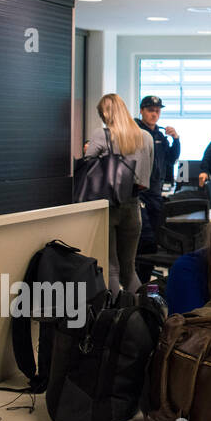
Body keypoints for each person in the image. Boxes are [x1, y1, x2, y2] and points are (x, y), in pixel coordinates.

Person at [84, 94, 153, 293]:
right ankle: (142, 314)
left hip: (109, 207)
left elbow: (88, 165)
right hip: (133, 206)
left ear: (106, 114)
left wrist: (88, 149)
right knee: (129, 270)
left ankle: (118, 318)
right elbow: (148, 173)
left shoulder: (102, 134)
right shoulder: (145, 136)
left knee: (112, 269)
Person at [134, 95, 180, 281]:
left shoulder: (160, 134)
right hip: (139, 193)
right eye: (151, 110)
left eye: (157, 111)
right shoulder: (135, 132)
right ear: (142, 111)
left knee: (155, 237)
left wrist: (176, 139)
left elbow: (171, 159)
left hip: (156, 193)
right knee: (144, 239)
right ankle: (138, 280)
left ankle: (144, 281)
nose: (155, 114)